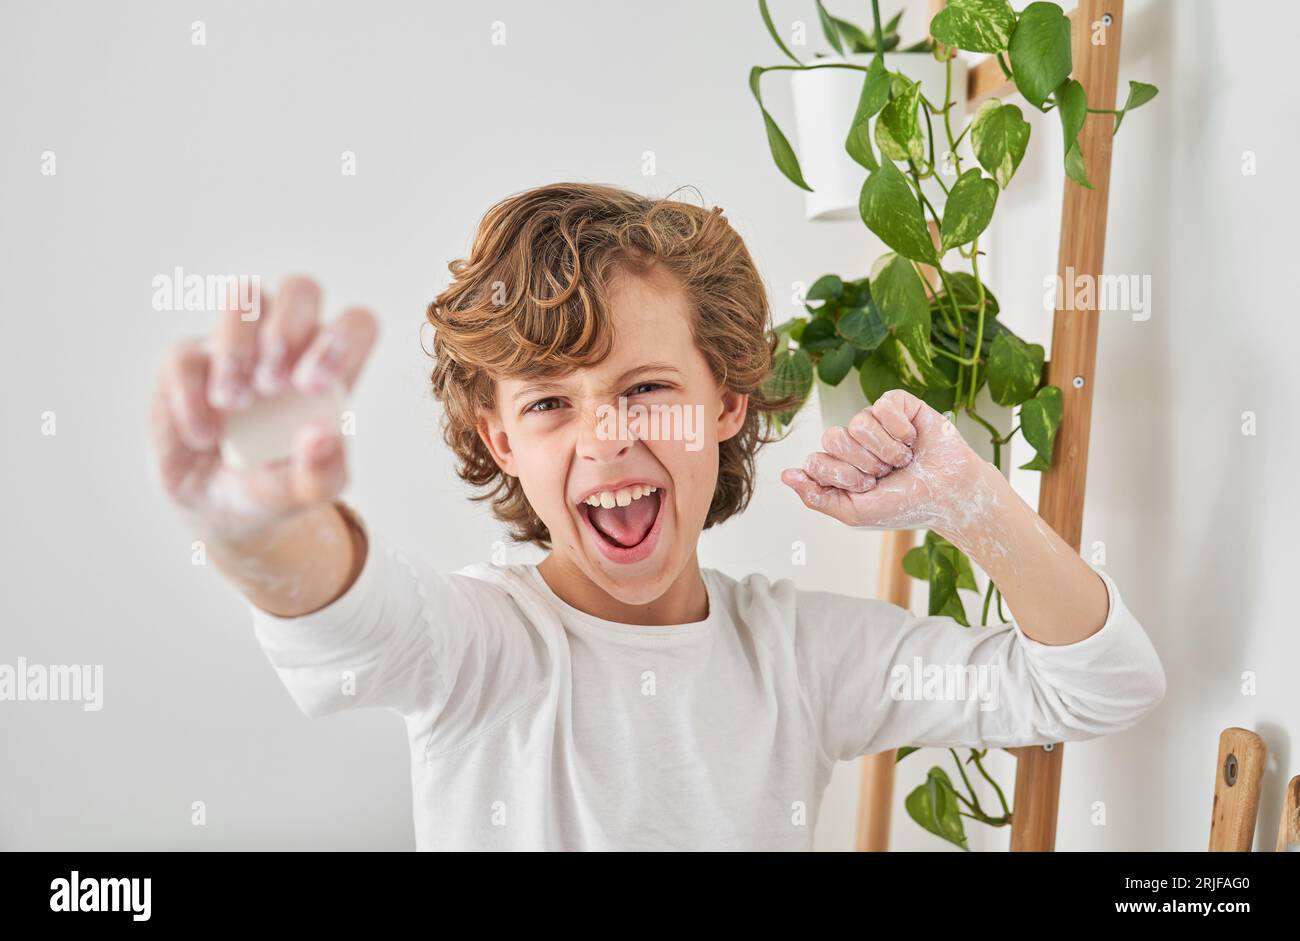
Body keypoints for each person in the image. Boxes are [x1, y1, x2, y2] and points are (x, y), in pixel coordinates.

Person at [148, 182, 1165, 850]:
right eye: (548, 403)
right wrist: (255, 524)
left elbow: (1100, 685)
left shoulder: (799, 655)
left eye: (644, 389)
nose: (604, 439)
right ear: (502, 442)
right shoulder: (477, 647)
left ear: (725, 402)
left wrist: (970, 502)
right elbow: (343, 609)